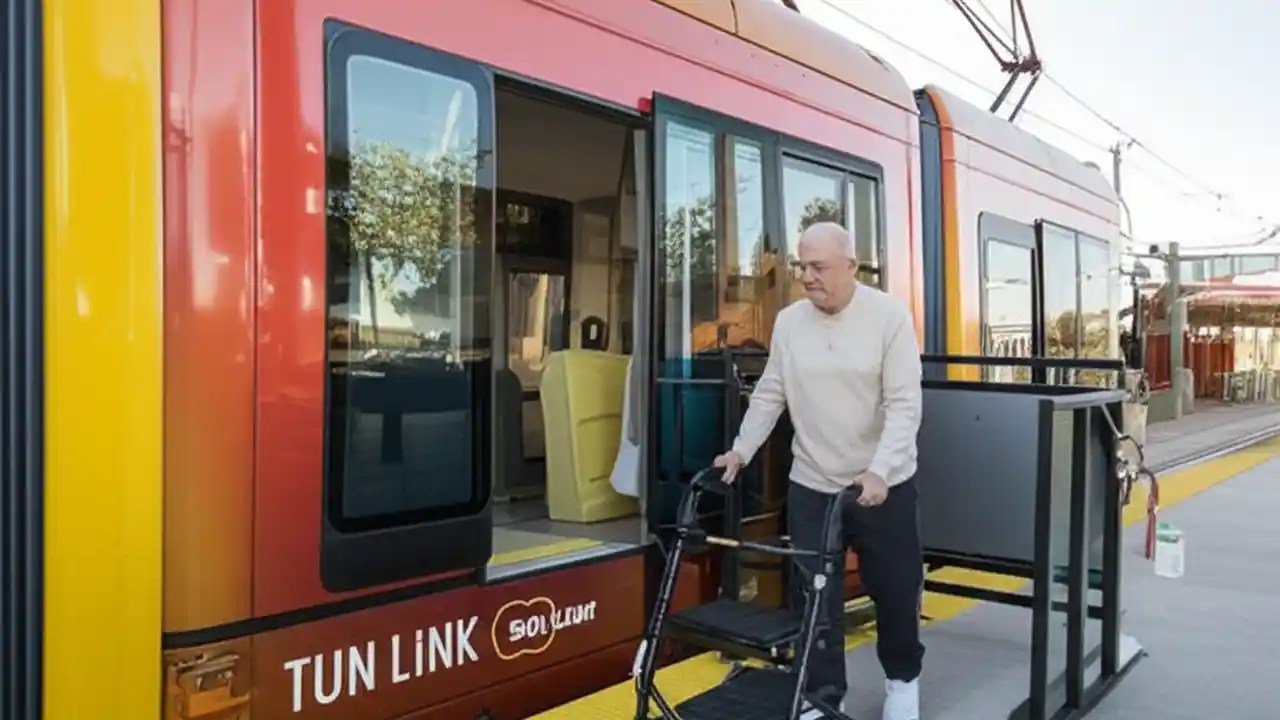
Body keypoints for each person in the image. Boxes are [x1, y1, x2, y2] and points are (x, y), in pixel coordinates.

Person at [713, 221, 924, 720]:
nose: (807, 276)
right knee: (814, 600)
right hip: (813, 483)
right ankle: (822, 698)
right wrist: (740, 451)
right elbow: (770, 394)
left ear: (850, 267)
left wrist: (879, 470)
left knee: (895, 592)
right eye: (801, 266)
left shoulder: (889, 318)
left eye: (819, 267)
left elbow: (904, 406)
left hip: (882, 485)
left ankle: (902, 684)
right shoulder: (789, 322)